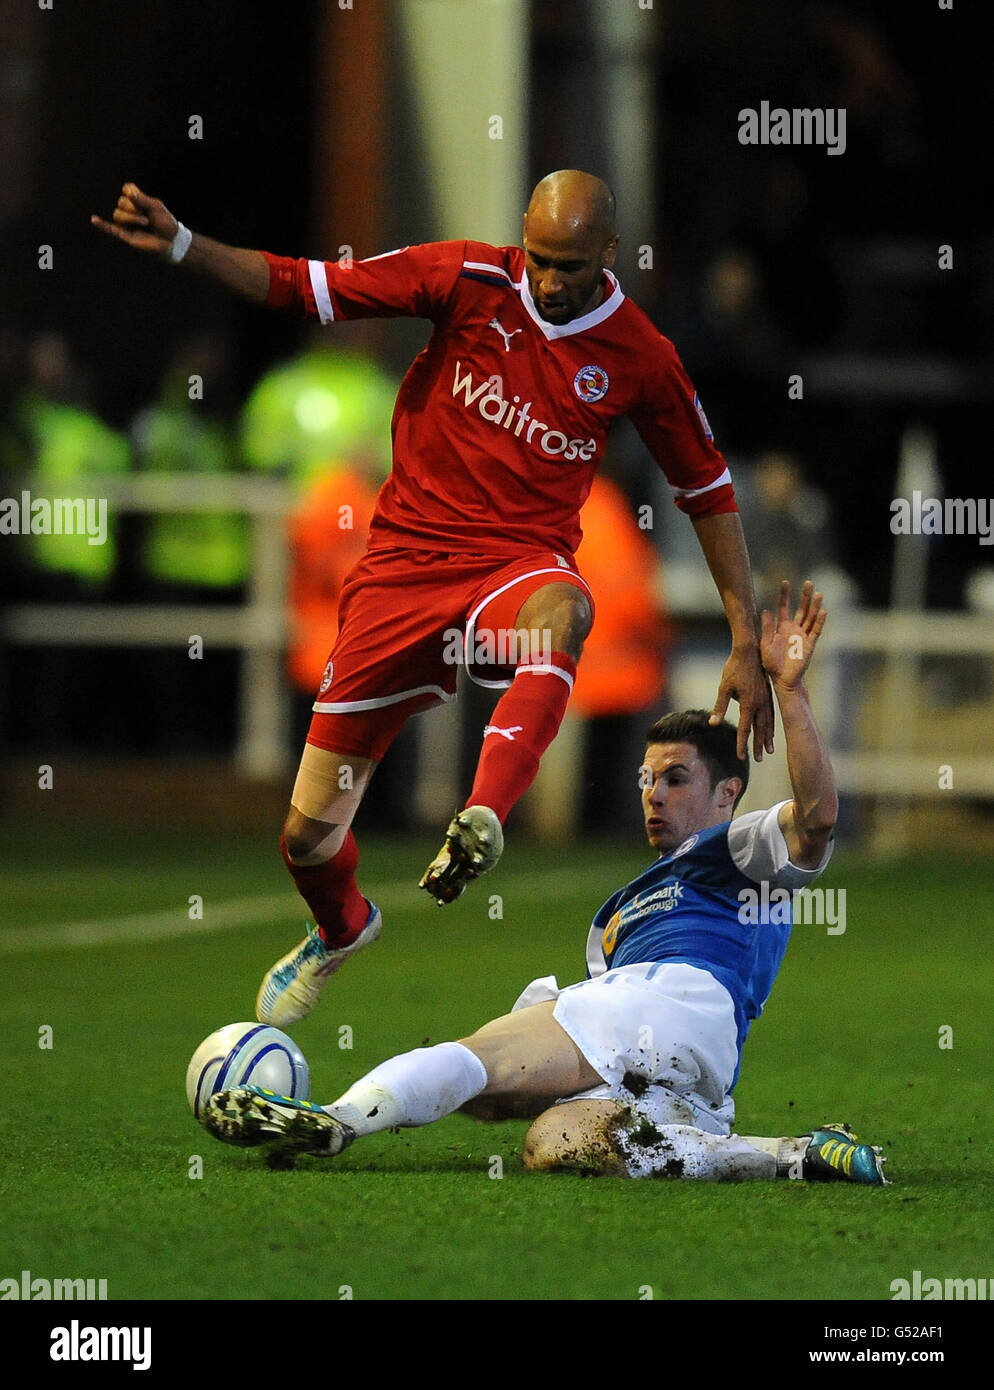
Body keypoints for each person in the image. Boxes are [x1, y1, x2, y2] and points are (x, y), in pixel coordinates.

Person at [91, 170, 775, 1031]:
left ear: (610, 254)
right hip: (400, 573)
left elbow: (708, 490)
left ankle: (484, 812)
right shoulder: (465, 279)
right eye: (539, 259)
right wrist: (187, 244)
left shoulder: (641, 355)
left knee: (564, 612)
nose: (551, 282)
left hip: (513, 569)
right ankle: (342, 926)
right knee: (306, 839)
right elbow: (312, 287)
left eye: (571, 265)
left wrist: (745, 642)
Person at [200, 582, 888, 1185]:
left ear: (728, 793)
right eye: (649, 779)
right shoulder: (636, 902)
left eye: (678, 779)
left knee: (480, 1058)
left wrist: (790, 693)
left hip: (672, 1001)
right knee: (558, 1142)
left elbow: (818, 820)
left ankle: (335, 1122)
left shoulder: (735, 852)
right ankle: (792, 1156)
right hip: (696, 1060)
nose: (655, 795)